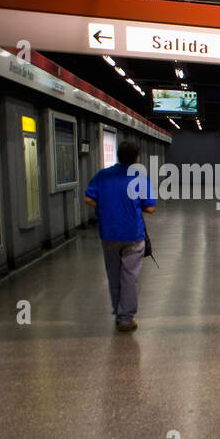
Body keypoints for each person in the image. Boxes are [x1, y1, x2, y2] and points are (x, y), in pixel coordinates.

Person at [84, 141, 154, 332]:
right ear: (136, 159)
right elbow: (150, 207)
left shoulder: (102, 175)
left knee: (113, 275)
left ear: (118, 155)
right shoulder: (139, 177)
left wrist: (106, 207)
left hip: (109, 234)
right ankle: (126, 317)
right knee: (129, 277)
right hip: (133, 234)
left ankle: (118, 311)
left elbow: (89, 198)